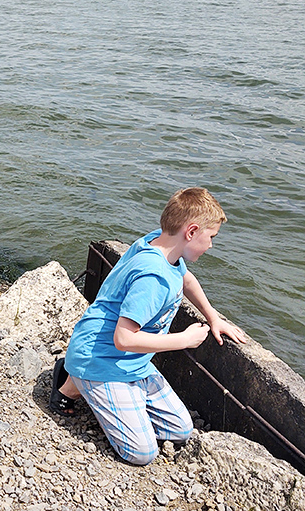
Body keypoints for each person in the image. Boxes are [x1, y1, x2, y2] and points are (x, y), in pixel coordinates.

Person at [50, 187, 247, 465]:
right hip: (104, 358)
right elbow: (124, 339)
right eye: (211, 237)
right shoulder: (153, 277)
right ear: (191, 232)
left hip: (130, 362)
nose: (212, 245)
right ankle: (76, 381)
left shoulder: (158, 243)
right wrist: (184, 339)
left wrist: (213, 316)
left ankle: (81, 379)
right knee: (142, 453)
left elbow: (185, 280)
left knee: (180, 430)